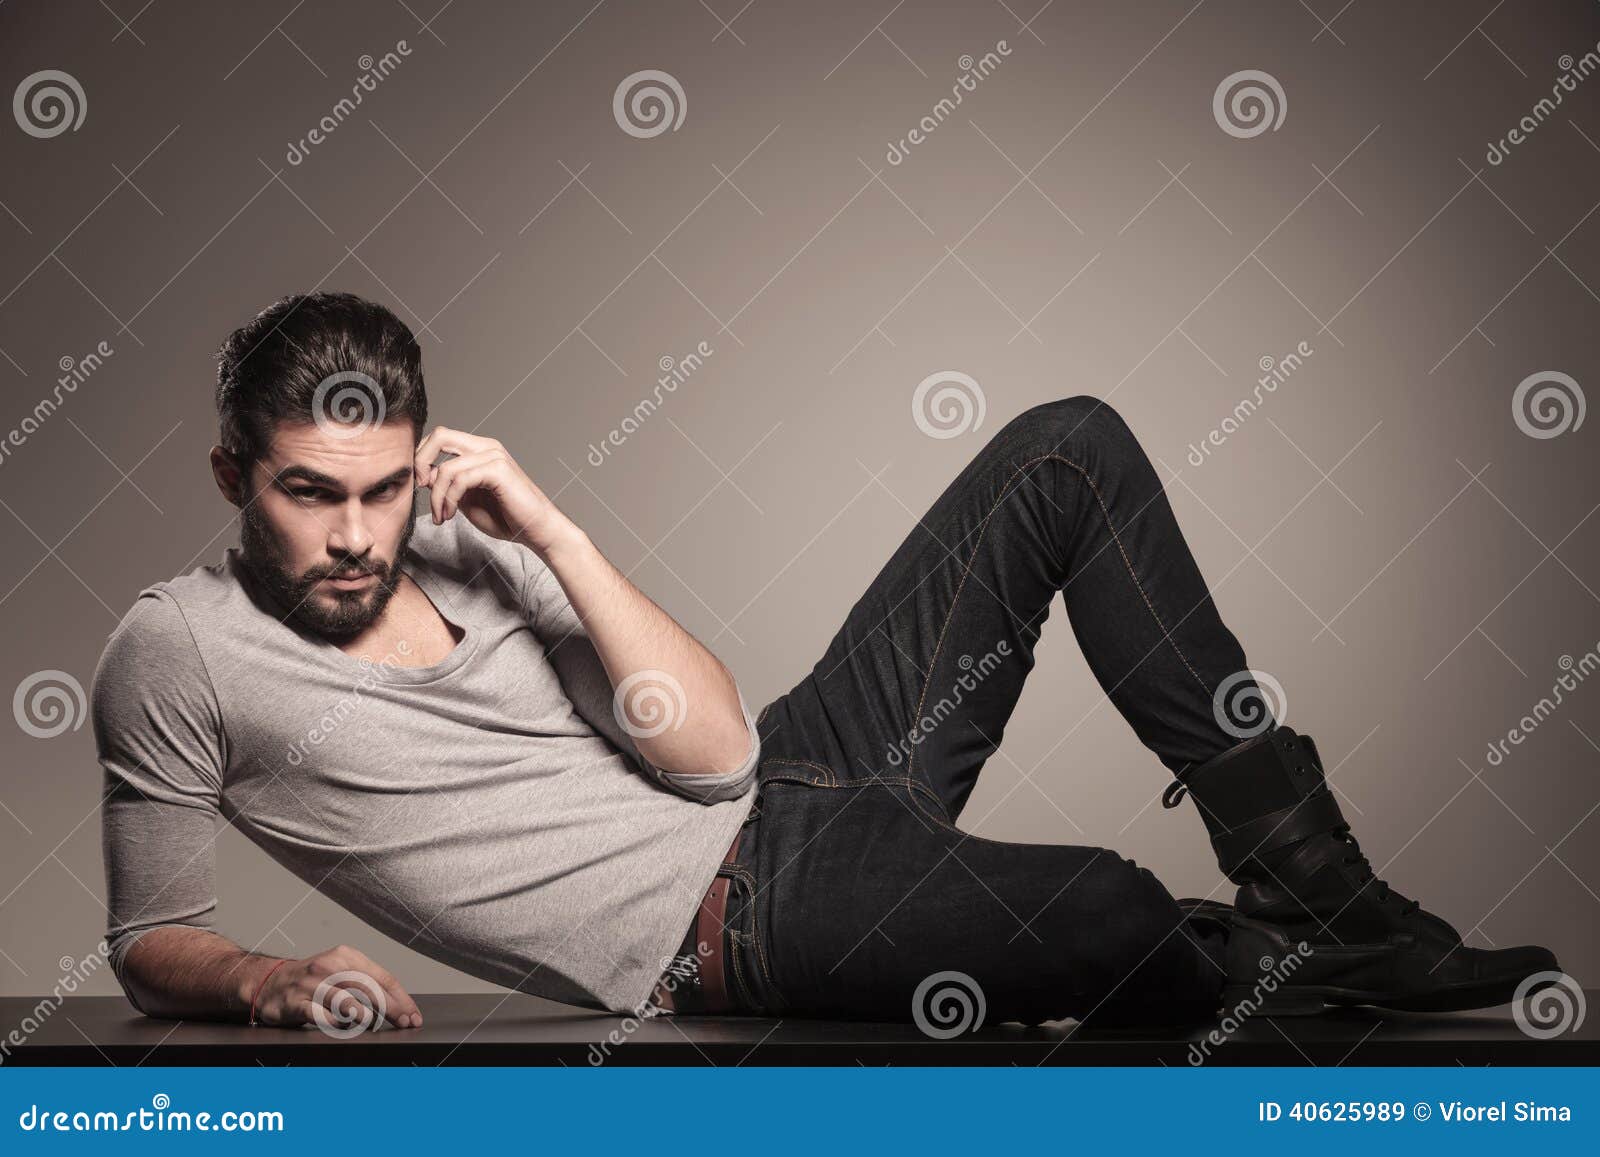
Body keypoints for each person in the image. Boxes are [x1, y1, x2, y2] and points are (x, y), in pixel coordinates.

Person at [94, 292, 1559, 1033]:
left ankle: (1321, 894)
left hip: (799, 778)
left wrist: (554, 530)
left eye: (382, 489)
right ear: (233, 476)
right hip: (730, 929)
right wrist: (267, 975)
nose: (359, 536)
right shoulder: (177, 651)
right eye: (311, 494)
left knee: (1069, 447)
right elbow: (150, 937)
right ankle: (1271, 971)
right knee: (1112, 908)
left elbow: (720, 755)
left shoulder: (473, 543)